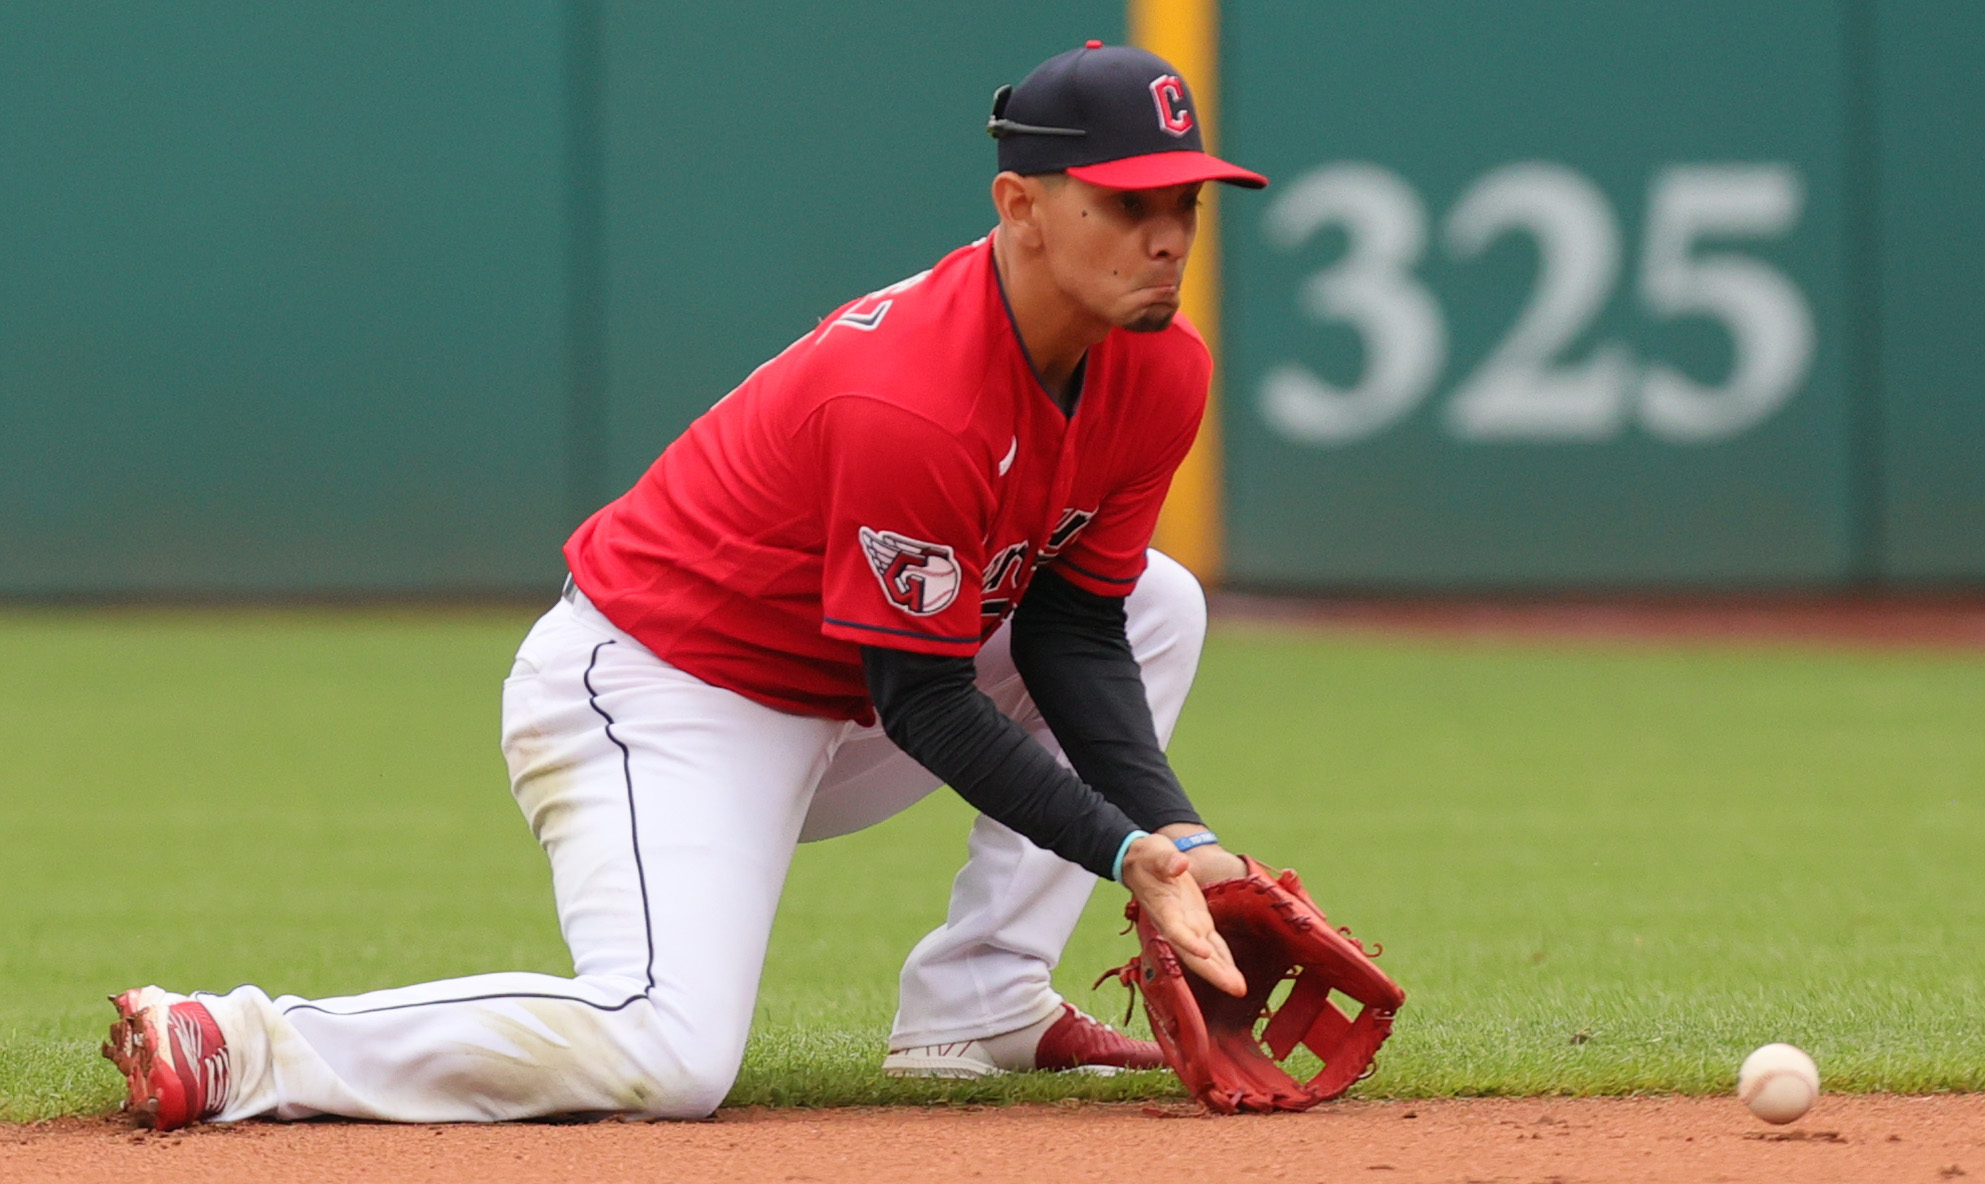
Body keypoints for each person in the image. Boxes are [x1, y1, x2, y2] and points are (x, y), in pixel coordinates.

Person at [101, 41, 1269, 1127]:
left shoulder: (1158, 370)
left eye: (1185, 203)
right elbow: (925, 696)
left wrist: (1177, 830)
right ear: (1019, 204)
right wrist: (1125, 853)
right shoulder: (910, 395)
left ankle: (983, 1000)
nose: (1166, 237)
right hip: (662, 692)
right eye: (1127, 202)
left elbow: (1069, 628)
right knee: (668, 1051)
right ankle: (244, 1044)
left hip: (839, 698)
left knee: (1156, 599)